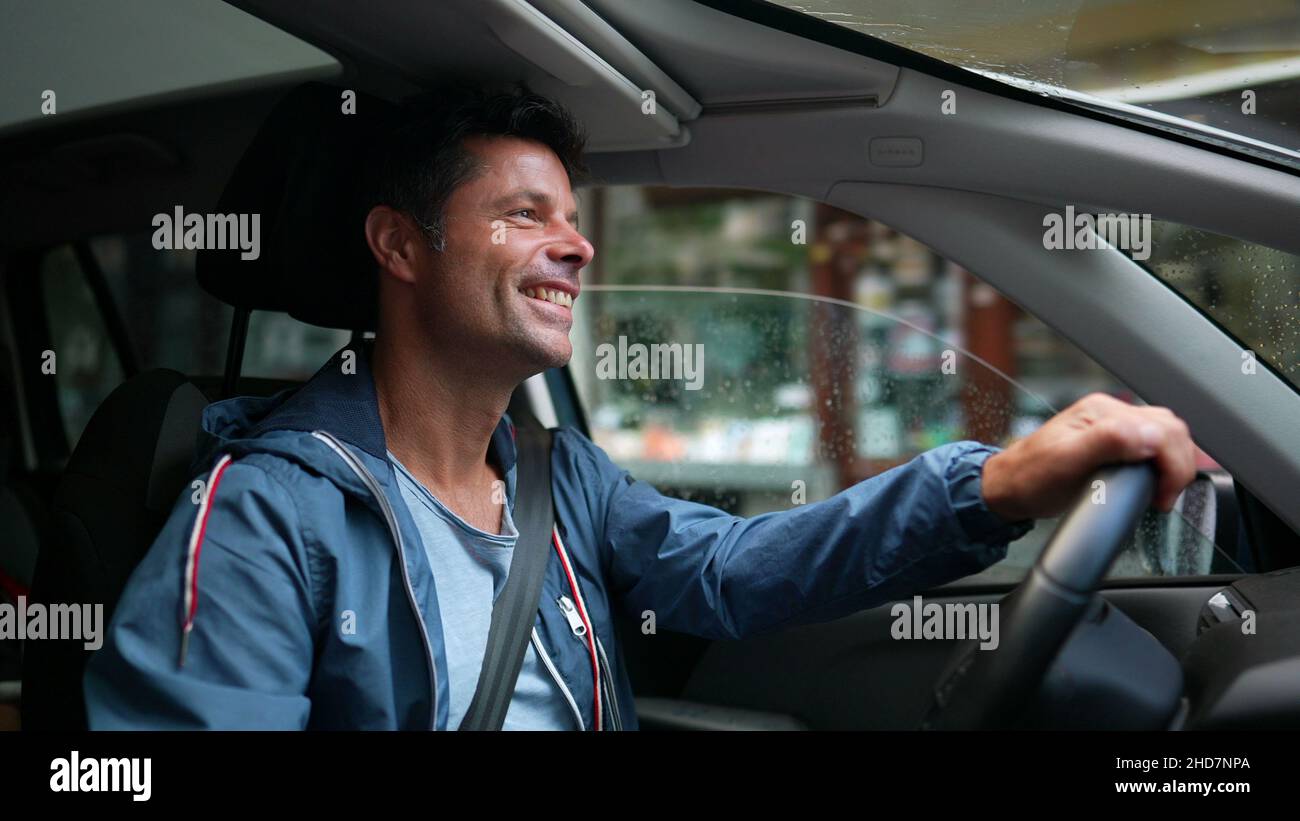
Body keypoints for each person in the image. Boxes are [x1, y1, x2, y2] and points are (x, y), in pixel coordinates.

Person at [85, 85, 1197, 730]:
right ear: (397, 246)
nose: (577, 244)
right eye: (525, 216)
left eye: (573, 216)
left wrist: (996, 480)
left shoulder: (556, 476)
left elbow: (733, 569)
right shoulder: (266, 514)